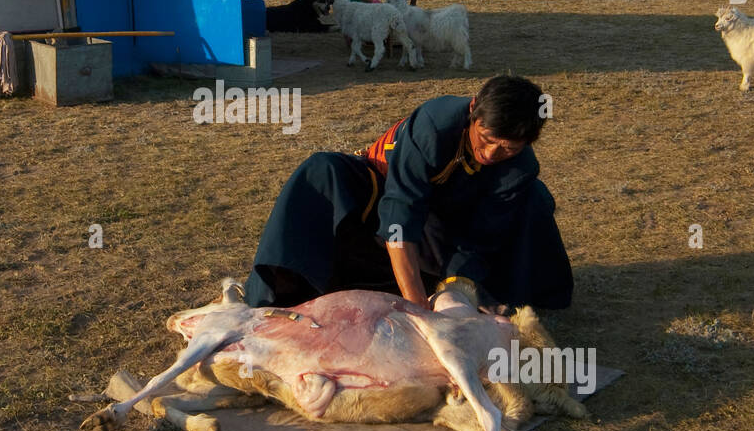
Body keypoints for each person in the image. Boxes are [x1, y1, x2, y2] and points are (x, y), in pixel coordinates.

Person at [243, 75, 574, 312]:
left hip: (449, 226)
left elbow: (481, 236)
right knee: (321, 170)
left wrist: (461, 291)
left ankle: (512, 292)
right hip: (385, 203)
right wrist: (417, 306)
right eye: (485, 139)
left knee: (535, 199)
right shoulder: (433, 127)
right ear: (473, 111)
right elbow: (400, 214)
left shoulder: (520, 168)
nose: (490, 155)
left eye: (507, 149)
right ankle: (280, 291)